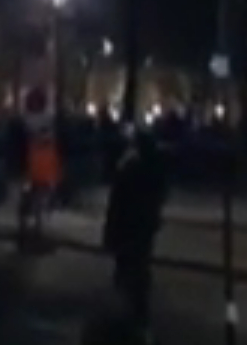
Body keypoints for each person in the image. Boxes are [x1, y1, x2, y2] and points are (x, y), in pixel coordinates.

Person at [102, 130, 168, 341]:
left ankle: (128, 321)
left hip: (128, 227)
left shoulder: (130, 169)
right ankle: (137, 319)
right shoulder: (154, 168)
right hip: (142, 227)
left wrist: (109, 232)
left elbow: (117, 203)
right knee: (138, 269)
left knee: (127, 272)